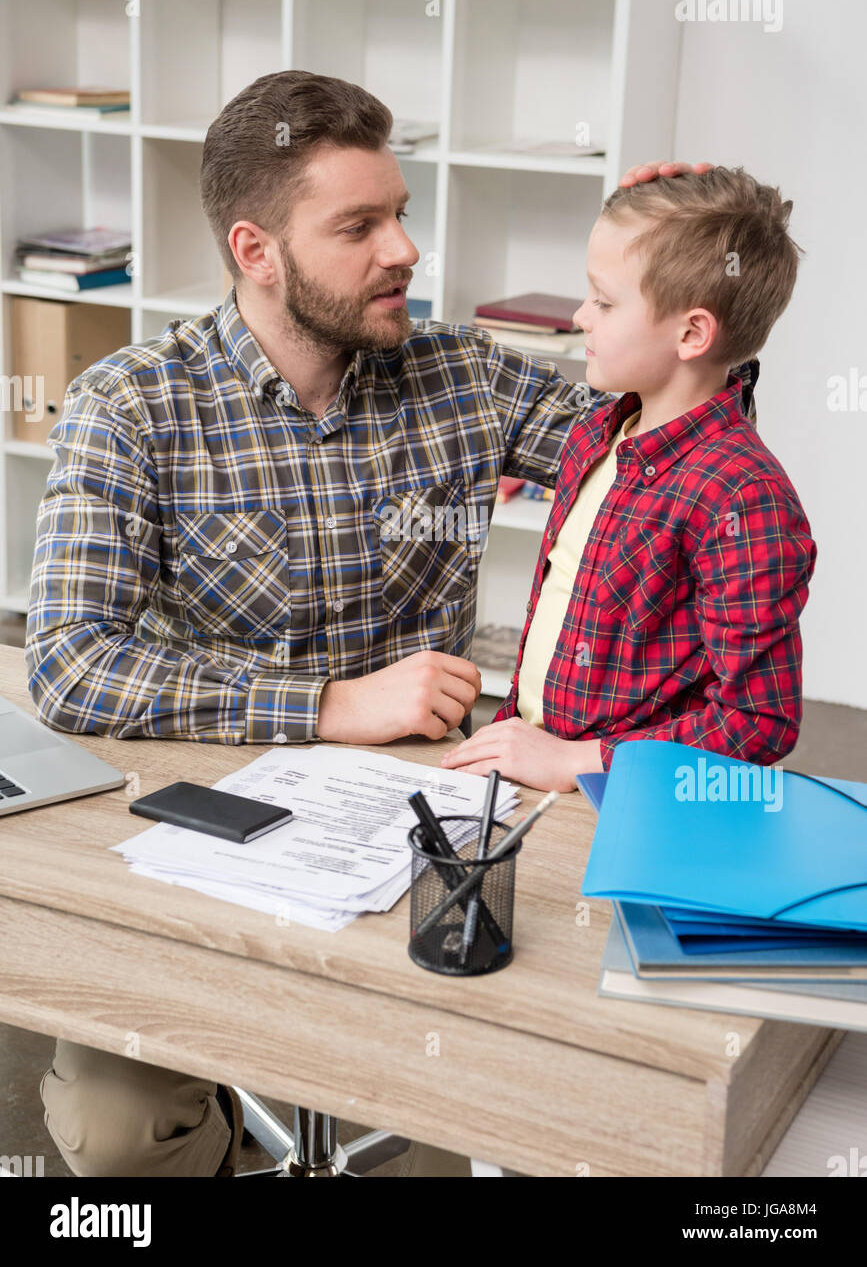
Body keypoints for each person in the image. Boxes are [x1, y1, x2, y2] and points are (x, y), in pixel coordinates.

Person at [26, 66, 754, 1176]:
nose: (404, 249)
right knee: (114, 1130)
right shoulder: (131, 405)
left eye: (401, 214)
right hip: (213, 835)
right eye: (359, 225)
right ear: (255, 251)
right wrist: (327, 705)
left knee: (569, 1081)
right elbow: (72, 664)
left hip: (427, 837)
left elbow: (676, 460)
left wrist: (702, 288)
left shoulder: (462, 376)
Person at [441, 166, 815, 793]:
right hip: (519, 766)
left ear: (693, 332)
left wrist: (577, 763)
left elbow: (757, 721)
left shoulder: (745, 497)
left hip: (616, 800)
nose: (580, 315)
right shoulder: (596, 432)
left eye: (605, 301)